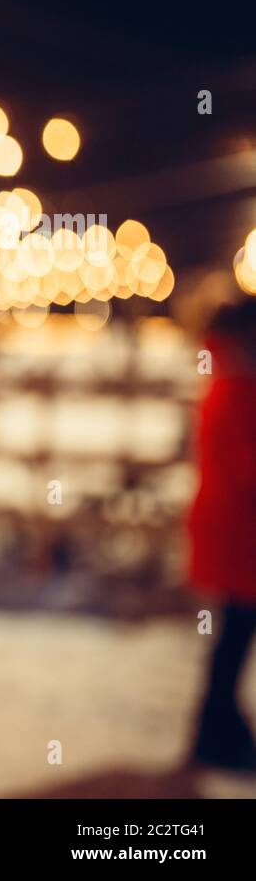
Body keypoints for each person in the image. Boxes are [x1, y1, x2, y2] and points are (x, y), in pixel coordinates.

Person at [188, 297, 256, 771]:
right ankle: (216, 731)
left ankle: (221, 728)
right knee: (233, 636)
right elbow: (246, 468)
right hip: (238, 536)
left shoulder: (229, 383)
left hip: (234, 533)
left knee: (233, 636)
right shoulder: (235, 388)